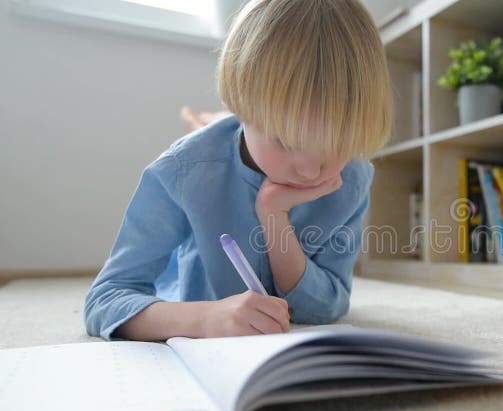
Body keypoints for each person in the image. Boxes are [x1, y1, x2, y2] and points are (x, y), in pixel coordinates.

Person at [84, 0, 392, 341]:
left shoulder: (352, 178)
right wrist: (203, 319)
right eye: (285, 142)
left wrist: (274, 217)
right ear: (239, 105)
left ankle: (216, 124)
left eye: (337, 148)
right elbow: (105, 300)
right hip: (209, 164)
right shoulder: (181, 171)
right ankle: (202, 122)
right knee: (208, 151)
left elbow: (328, 306)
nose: (309, 171)